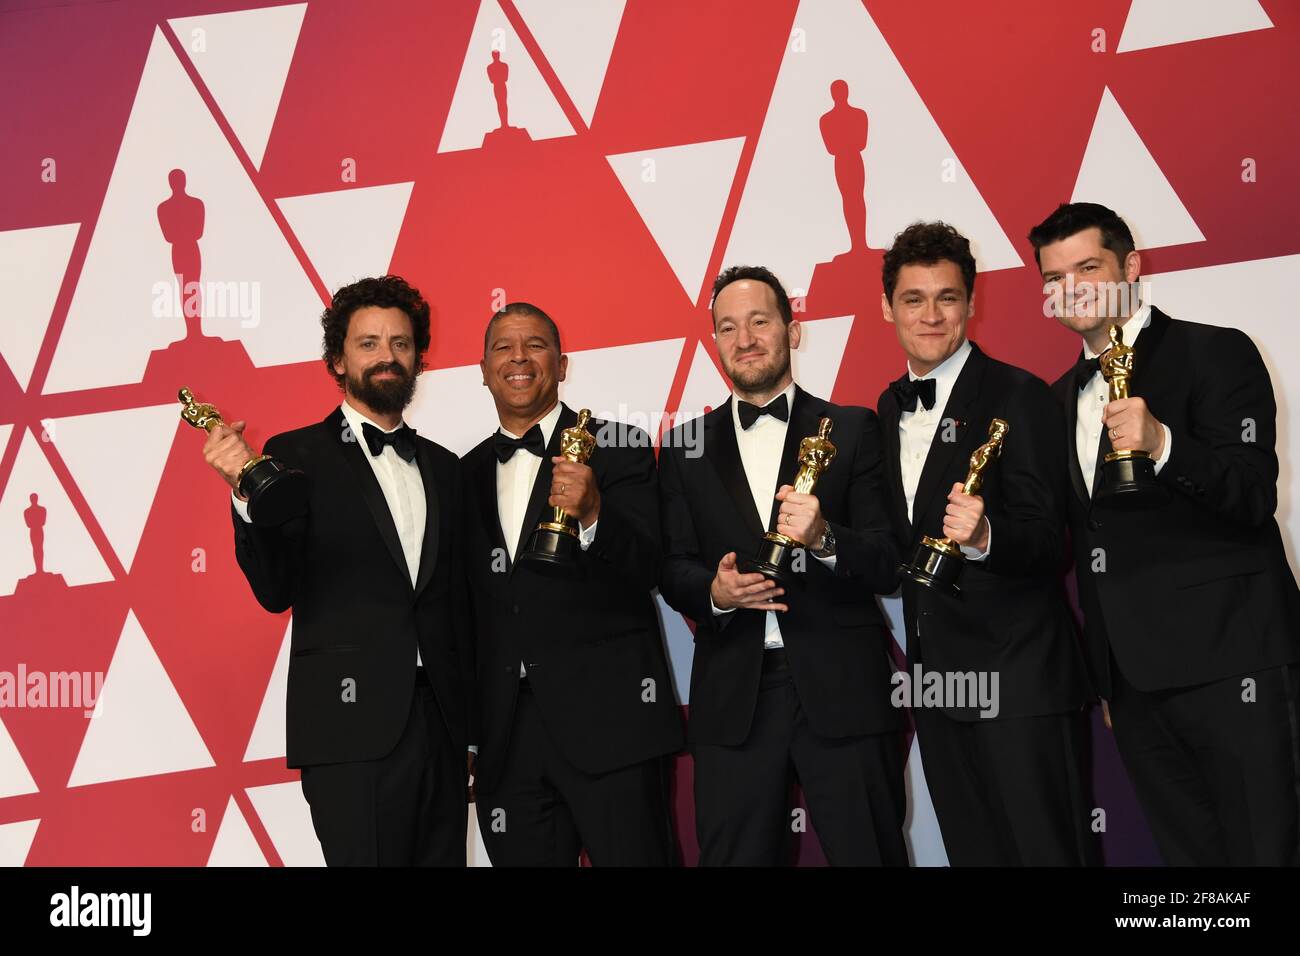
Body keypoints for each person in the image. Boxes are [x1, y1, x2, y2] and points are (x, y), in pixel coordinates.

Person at [1032, 201, 1300, 865]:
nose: (1074, 289)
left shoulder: (1216, 352)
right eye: (1056, 277)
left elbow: (1250, 496)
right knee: (1192, 868)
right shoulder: (1057, 398)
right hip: (1135, 689)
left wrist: (1164, 444)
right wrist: (1108, 680)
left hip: (1235, 667)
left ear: (1131, 267)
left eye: (1089, 267)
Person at [204, 275, 474, 865]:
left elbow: (459, 604)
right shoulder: (294, 457)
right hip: (349, 732)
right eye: (369, 343)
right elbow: (276, 589)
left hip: (442, 727)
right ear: (337, 360)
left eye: (401, 344)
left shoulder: (448, 470)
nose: (387, 356)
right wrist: (246, 496)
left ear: (418, 360)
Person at [658, 265, 905, 865]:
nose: (744, 340)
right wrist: (715, 593)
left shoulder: (852, 428)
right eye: (727, 328)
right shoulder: (686, 447)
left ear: (792, 331)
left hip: (843, 687)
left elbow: (888, 560)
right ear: (713, 341)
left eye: (760, 322)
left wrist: (824, 538)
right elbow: (671, 566)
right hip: (734, 698)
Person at [876, 221, 1095, 865]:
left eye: (948, 297)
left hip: (1019, 681)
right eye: (914, 299)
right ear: (887, 308)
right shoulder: (887, 410)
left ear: (972, 304)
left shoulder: (1021, 395)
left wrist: (986, 536)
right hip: (940, 690)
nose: (932, 314)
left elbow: (1050, 543)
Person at [461, 302, 682, 865]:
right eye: (502, 348)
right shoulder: (459, 474)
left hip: (614, 728)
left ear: (562, 365)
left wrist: (592, 515)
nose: (518, 358)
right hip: (506, 742)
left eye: (534, 345)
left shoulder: (621, 446)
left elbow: (650, 567)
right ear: (482, 369)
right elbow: (460, 614)